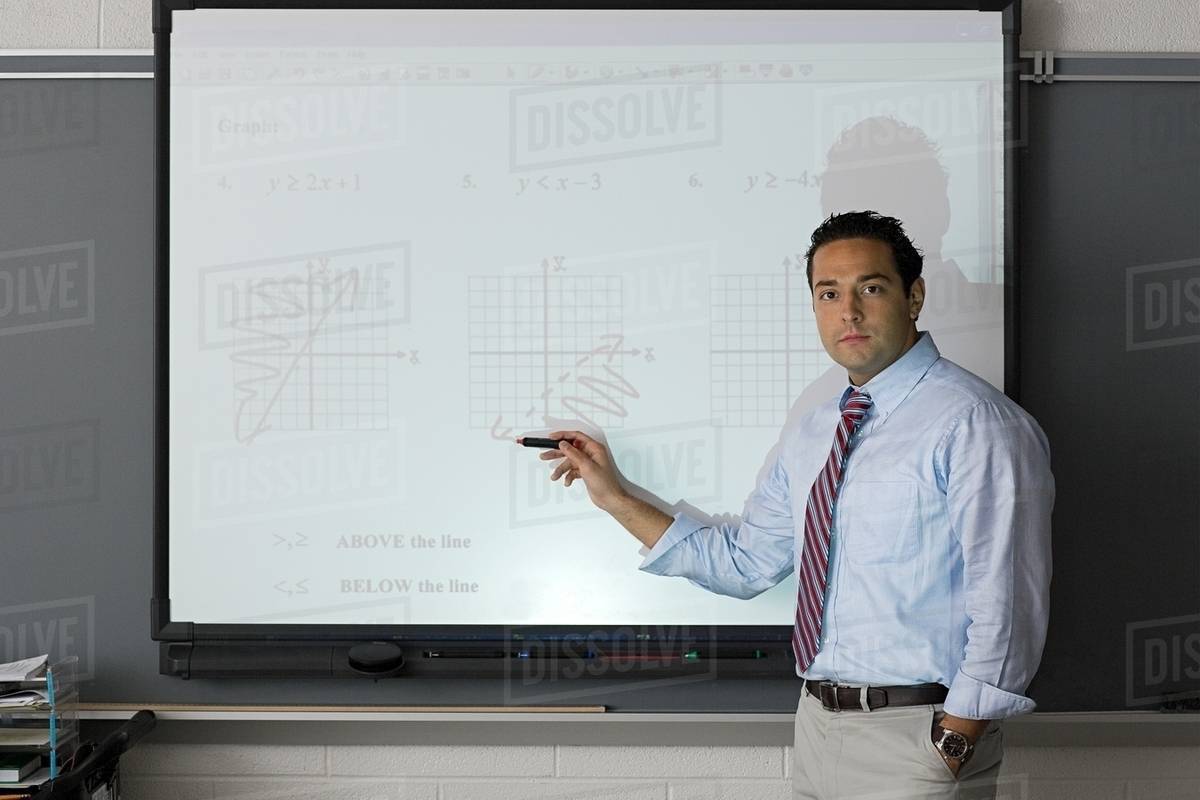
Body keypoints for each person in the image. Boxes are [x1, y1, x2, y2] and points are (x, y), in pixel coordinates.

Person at [541, 211, 1054, 800]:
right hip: (816, 727)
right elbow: (746, 563)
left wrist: (955, 740)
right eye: (829, 293)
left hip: (920, 736)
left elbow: (1008, 599)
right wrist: (614, 497)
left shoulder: (975, 422)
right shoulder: (815, 432)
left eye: (872, 288)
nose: (849, 312)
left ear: (914, 296)